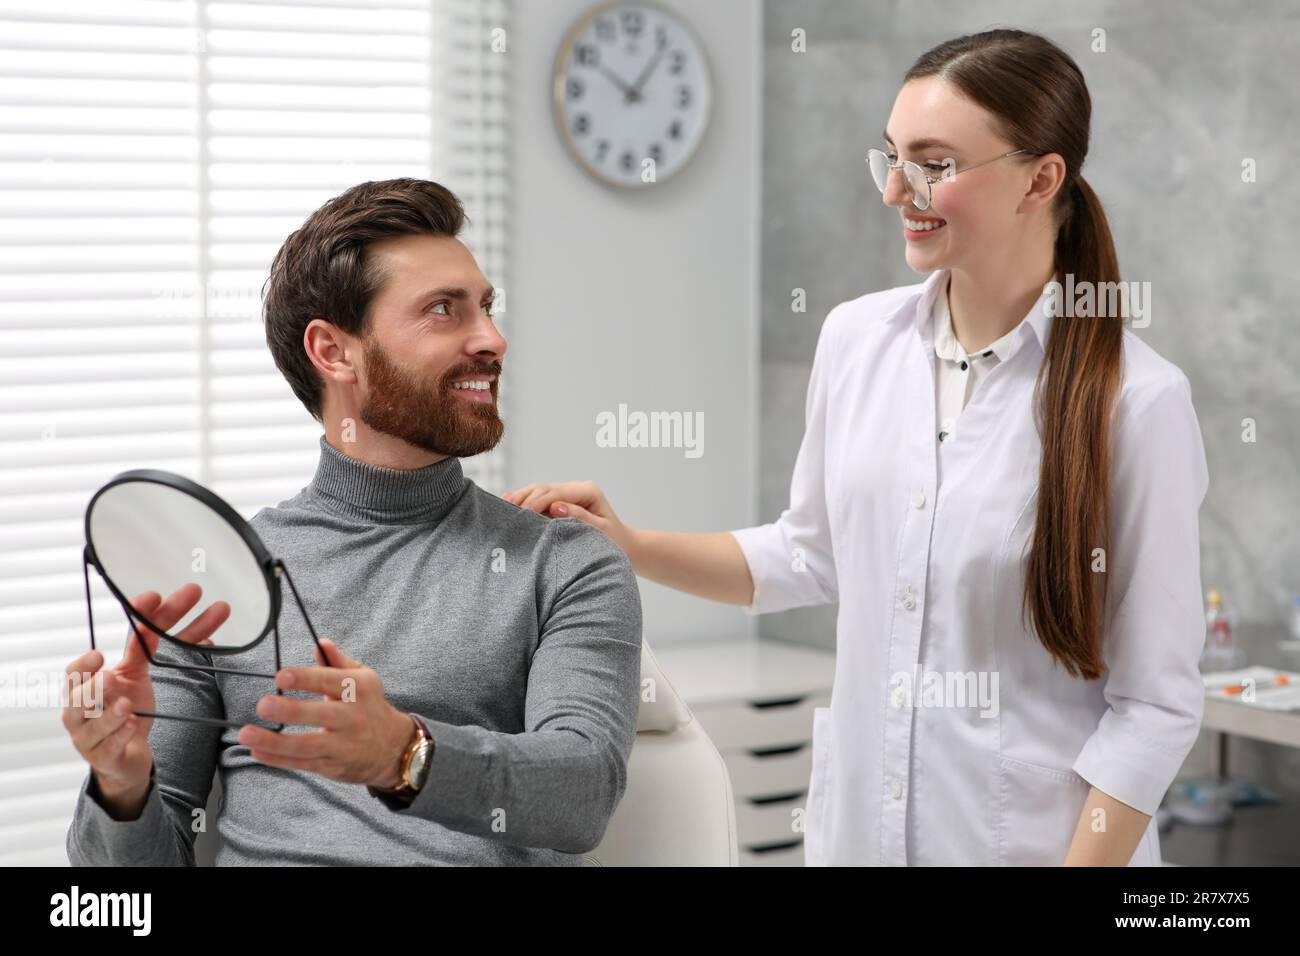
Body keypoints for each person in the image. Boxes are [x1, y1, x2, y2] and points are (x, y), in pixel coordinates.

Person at [506, 30, 1210, 866]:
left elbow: (1155, 708)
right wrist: (629, 547)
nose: (897, 192)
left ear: (1041, 177)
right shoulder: (857, 340)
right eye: (892, 158)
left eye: (935, 165)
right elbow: (807, 554)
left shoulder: (1138, 401)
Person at [64, 178, 643, 865]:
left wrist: (405, 754)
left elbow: (583, 793)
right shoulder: (220, 574)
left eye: (485, 307)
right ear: (335, 352)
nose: (493, 339)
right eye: (443, 311)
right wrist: (121, 785)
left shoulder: (564, 560)